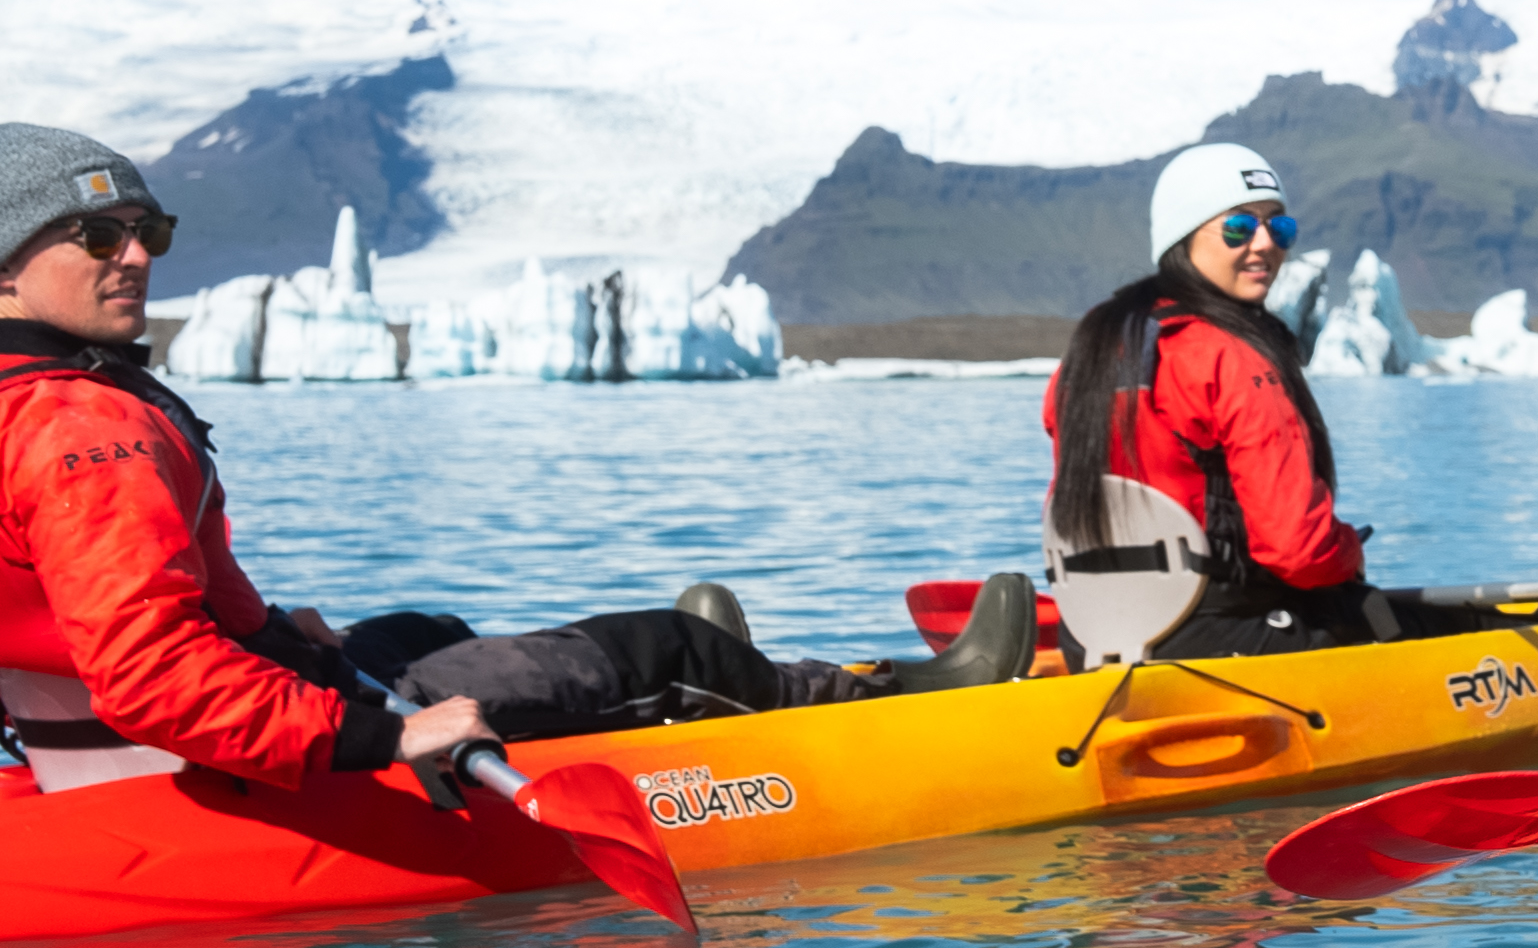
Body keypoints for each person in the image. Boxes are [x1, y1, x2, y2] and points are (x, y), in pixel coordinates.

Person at [0, 125, 1031, 803]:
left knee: (429, 630)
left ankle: (711, 682)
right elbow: (151, 674)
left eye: (148, 231)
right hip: (196, 764)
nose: (133, 257)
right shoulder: (82, 429)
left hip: (94, 744)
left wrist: (270, 632)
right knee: (659, 644)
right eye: (96, 235)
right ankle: (879, 704)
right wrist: (379, 742)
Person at [1043, 141, 1382, 659]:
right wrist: (1349, 552)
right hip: (1224, 638)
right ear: (1183, 237)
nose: (1266, 244)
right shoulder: (1230, 357)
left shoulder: (1085, 354)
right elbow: (1296, 550)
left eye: (1280, 227)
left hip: (1093, 640)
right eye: (1238, 229)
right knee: (1391, 619)